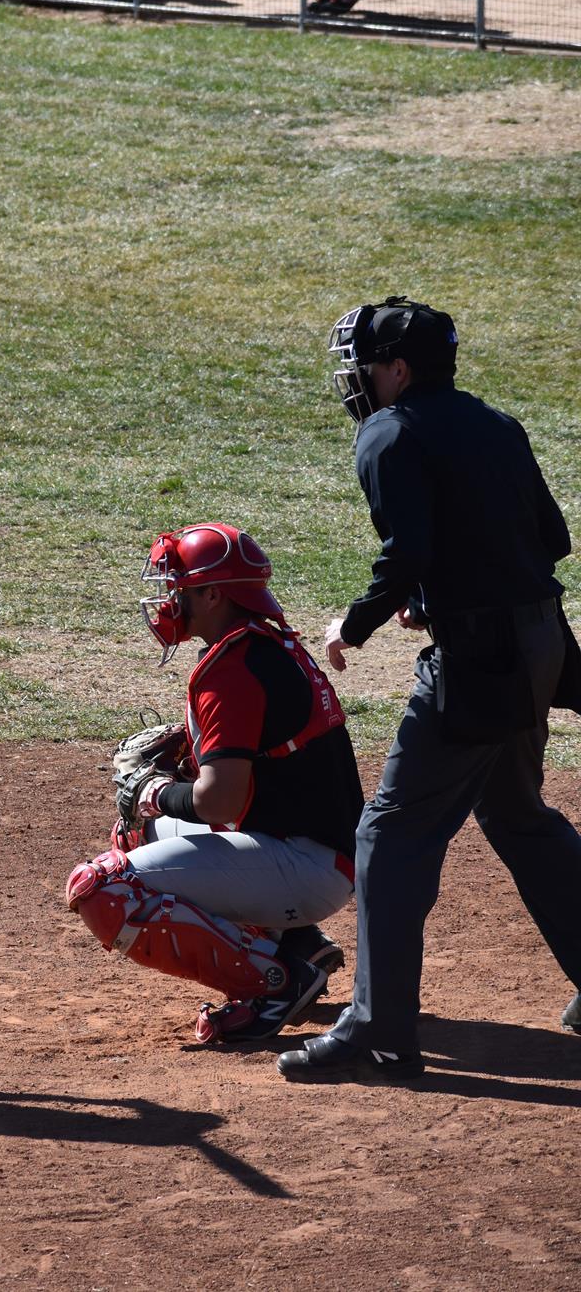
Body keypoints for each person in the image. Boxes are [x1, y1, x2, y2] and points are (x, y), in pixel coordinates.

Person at [279, 298, 581, 1080]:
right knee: (519, 815)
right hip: (543, 642)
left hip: (480, 662)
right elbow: (551, 540)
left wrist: (359, 620)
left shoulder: (388, 432)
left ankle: (379, 1029)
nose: (358, 380)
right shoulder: (497, 423)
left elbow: (408, 546)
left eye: (367, 365)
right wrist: (442, 590)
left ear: (398, 370)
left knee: (391, 831)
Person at [67, 523, 362, 1044]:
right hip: (311, 847)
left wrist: (155, 791)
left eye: (178, 587)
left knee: (103, 890)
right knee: (134, 834)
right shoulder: (265, 645)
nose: (168, 600)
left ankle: (274, 984)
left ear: (212, 594)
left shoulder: (232, 669)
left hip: (305, 865)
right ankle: (297, 943)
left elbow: (219, 798)